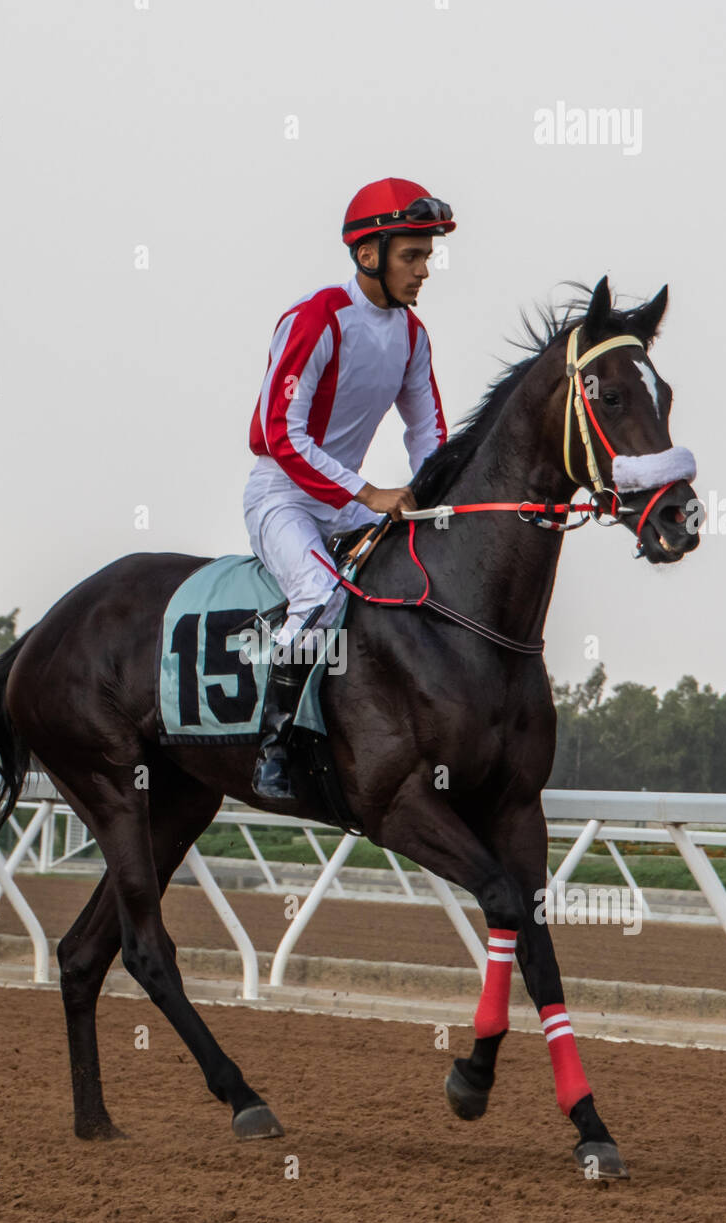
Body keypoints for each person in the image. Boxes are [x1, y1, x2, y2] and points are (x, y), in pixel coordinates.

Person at [245, 177, 455, 799]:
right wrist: (368, 494)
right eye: (411, 256)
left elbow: (429, 433)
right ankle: (272, 747)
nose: (423, 272)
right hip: (281, 495)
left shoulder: (413, 337)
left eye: (427, 258)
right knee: (321, 595)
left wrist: (436, 495)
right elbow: (277, 432)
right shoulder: (315, 318)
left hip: (342, 506)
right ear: (369, 254)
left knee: (414, 580)